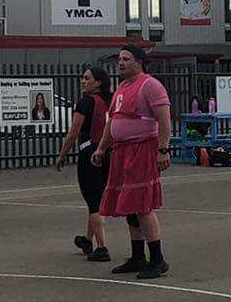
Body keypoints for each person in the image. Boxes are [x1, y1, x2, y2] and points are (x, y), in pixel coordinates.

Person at [92, 43, 173, 278]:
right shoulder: (121, 89)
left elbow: (164, 120)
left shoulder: (151, 85)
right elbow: (112, 121)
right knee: (129, 205)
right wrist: (101, 148)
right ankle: (137, 257)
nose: (121, 63)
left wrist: (163, 150)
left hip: (142, 149)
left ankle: (157, 259)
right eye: (120, 59)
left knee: (142, 205)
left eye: (126, 59)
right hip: (121, 151)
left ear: (138, 62)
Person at [57, 66, 112, 261]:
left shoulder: (85, 102)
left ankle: (102, 247)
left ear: (98, 82)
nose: (83, 81)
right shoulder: (111, 100)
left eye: (87, 78)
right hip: (109, 151)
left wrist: (62, 154)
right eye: (82, 78)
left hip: (90, 152)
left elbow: (74, 132)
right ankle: (88, 239)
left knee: (93, 200)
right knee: (96, 197)